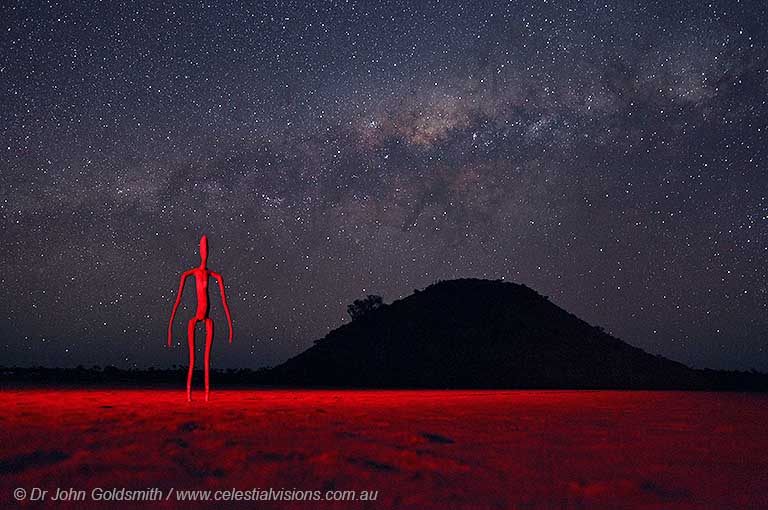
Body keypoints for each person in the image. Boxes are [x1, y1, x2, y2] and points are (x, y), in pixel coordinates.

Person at [167, 235, 233, 401]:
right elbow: (178, 300)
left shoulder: (214, 275)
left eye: (207, 248)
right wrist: (170, 328)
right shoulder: (191, 273)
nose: (205, 252)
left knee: (206, 360)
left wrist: (230, 327)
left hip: (208, 319)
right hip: (195, 318)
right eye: (203, 248)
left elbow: (224, 303)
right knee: (192, 359)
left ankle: (206, 395)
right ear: (199, 250)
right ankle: (189, 395)